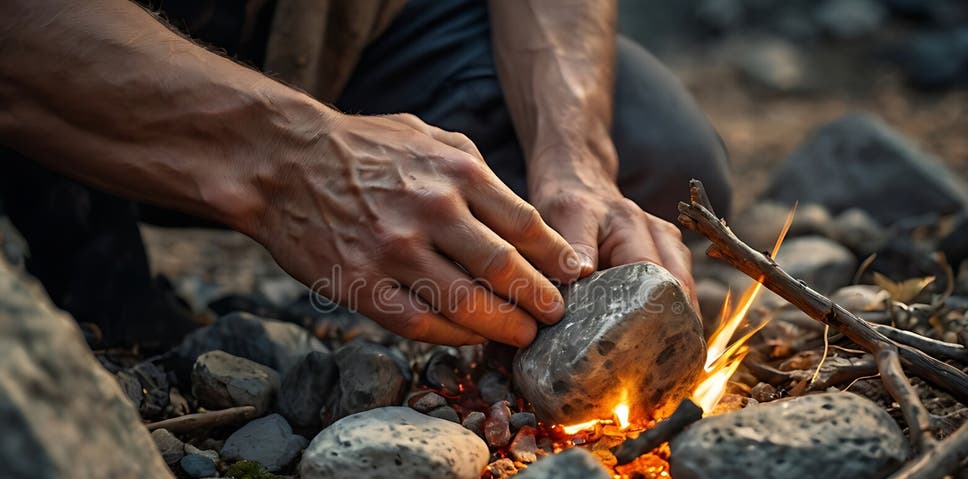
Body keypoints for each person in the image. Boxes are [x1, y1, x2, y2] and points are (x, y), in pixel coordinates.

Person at [0, 0, 731, 348]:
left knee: (656, 164)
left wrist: (574, 161)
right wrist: (294, 158)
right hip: (84, 43)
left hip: (340, 31)